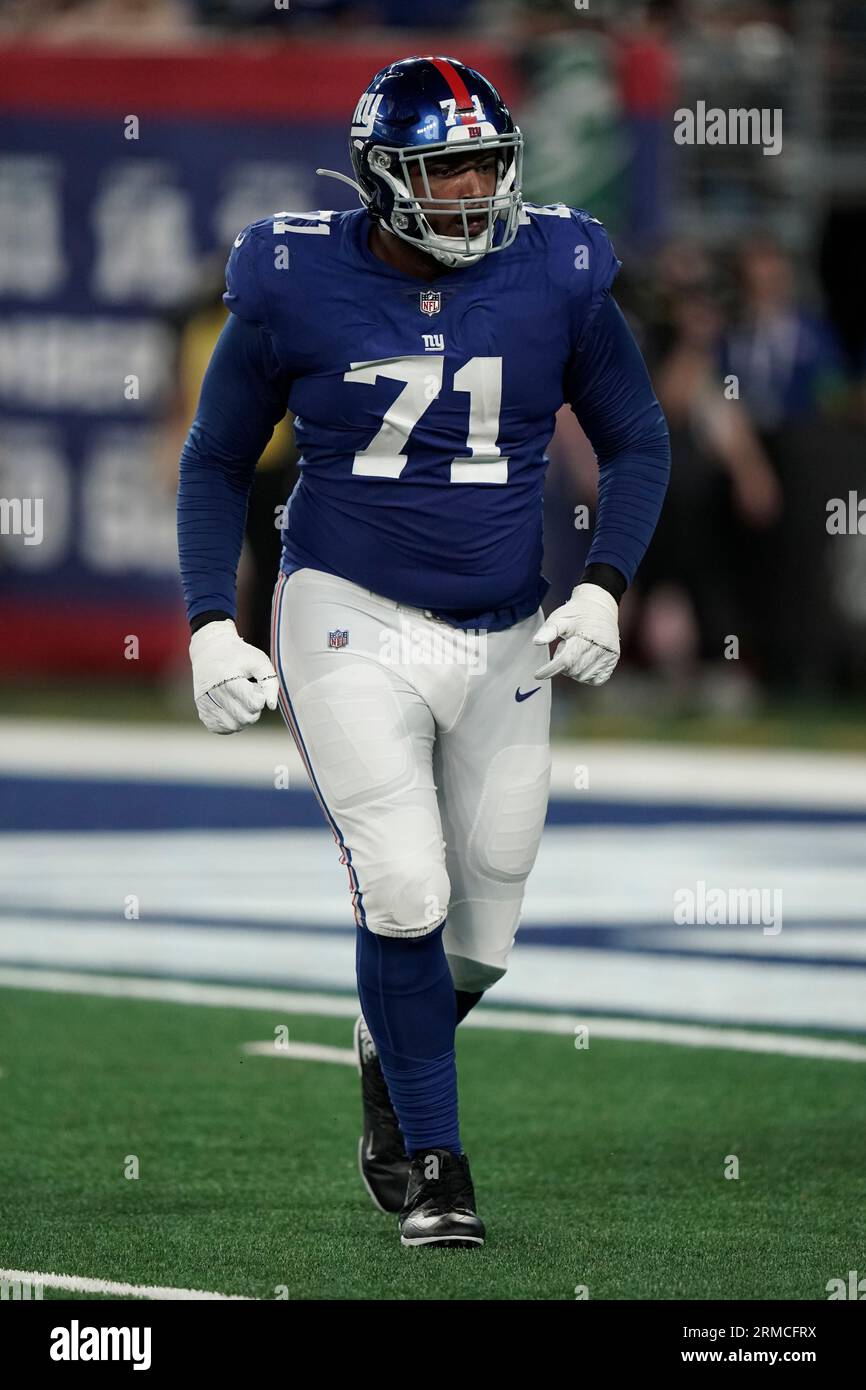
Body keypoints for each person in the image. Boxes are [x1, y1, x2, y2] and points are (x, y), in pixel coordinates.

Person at [176, 55, 670, 1248]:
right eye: (443, 170)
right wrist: (206, 616)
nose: (469, 193)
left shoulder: (554, 268)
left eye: (485, 167)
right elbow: (214, 459)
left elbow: (637, 438)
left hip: (506, 623)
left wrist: (605, 585)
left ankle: (383, 1046)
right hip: (348, 609)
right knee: (401, 883)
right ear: (381, 179)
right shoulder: (292, 277)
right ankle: (437, 1165)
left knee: (483, 925)